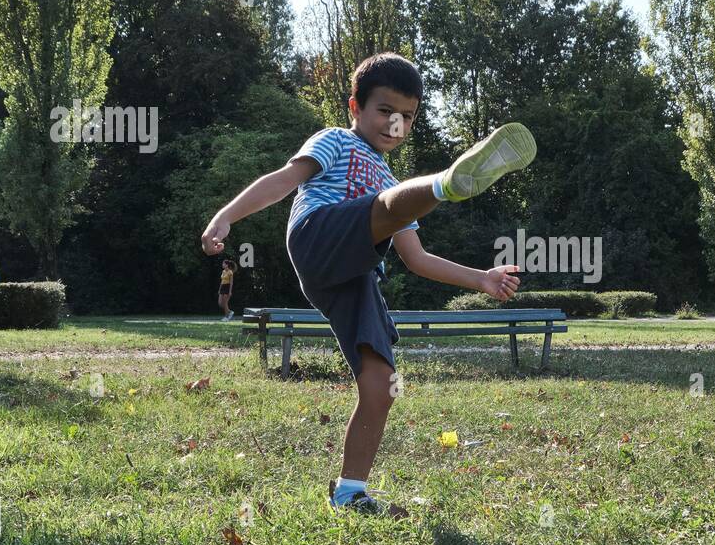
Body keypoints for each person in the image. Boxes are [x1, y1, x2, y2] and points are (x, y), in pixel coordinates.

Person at [200, 52, 536, 516]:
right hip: (318, 237)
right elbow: (282, 182)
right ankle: (445, 185)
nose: (396, 125)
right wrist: (226, 216)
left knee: (383, 385)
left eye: (408, 117)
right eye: (385, 112)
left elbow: (416, 259)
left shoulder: (391, 182)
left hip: (353, 278)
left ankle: (350, 491)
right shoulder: (335, 141)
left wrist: (482, 278)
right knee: (388, 204)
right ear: (355, 107)